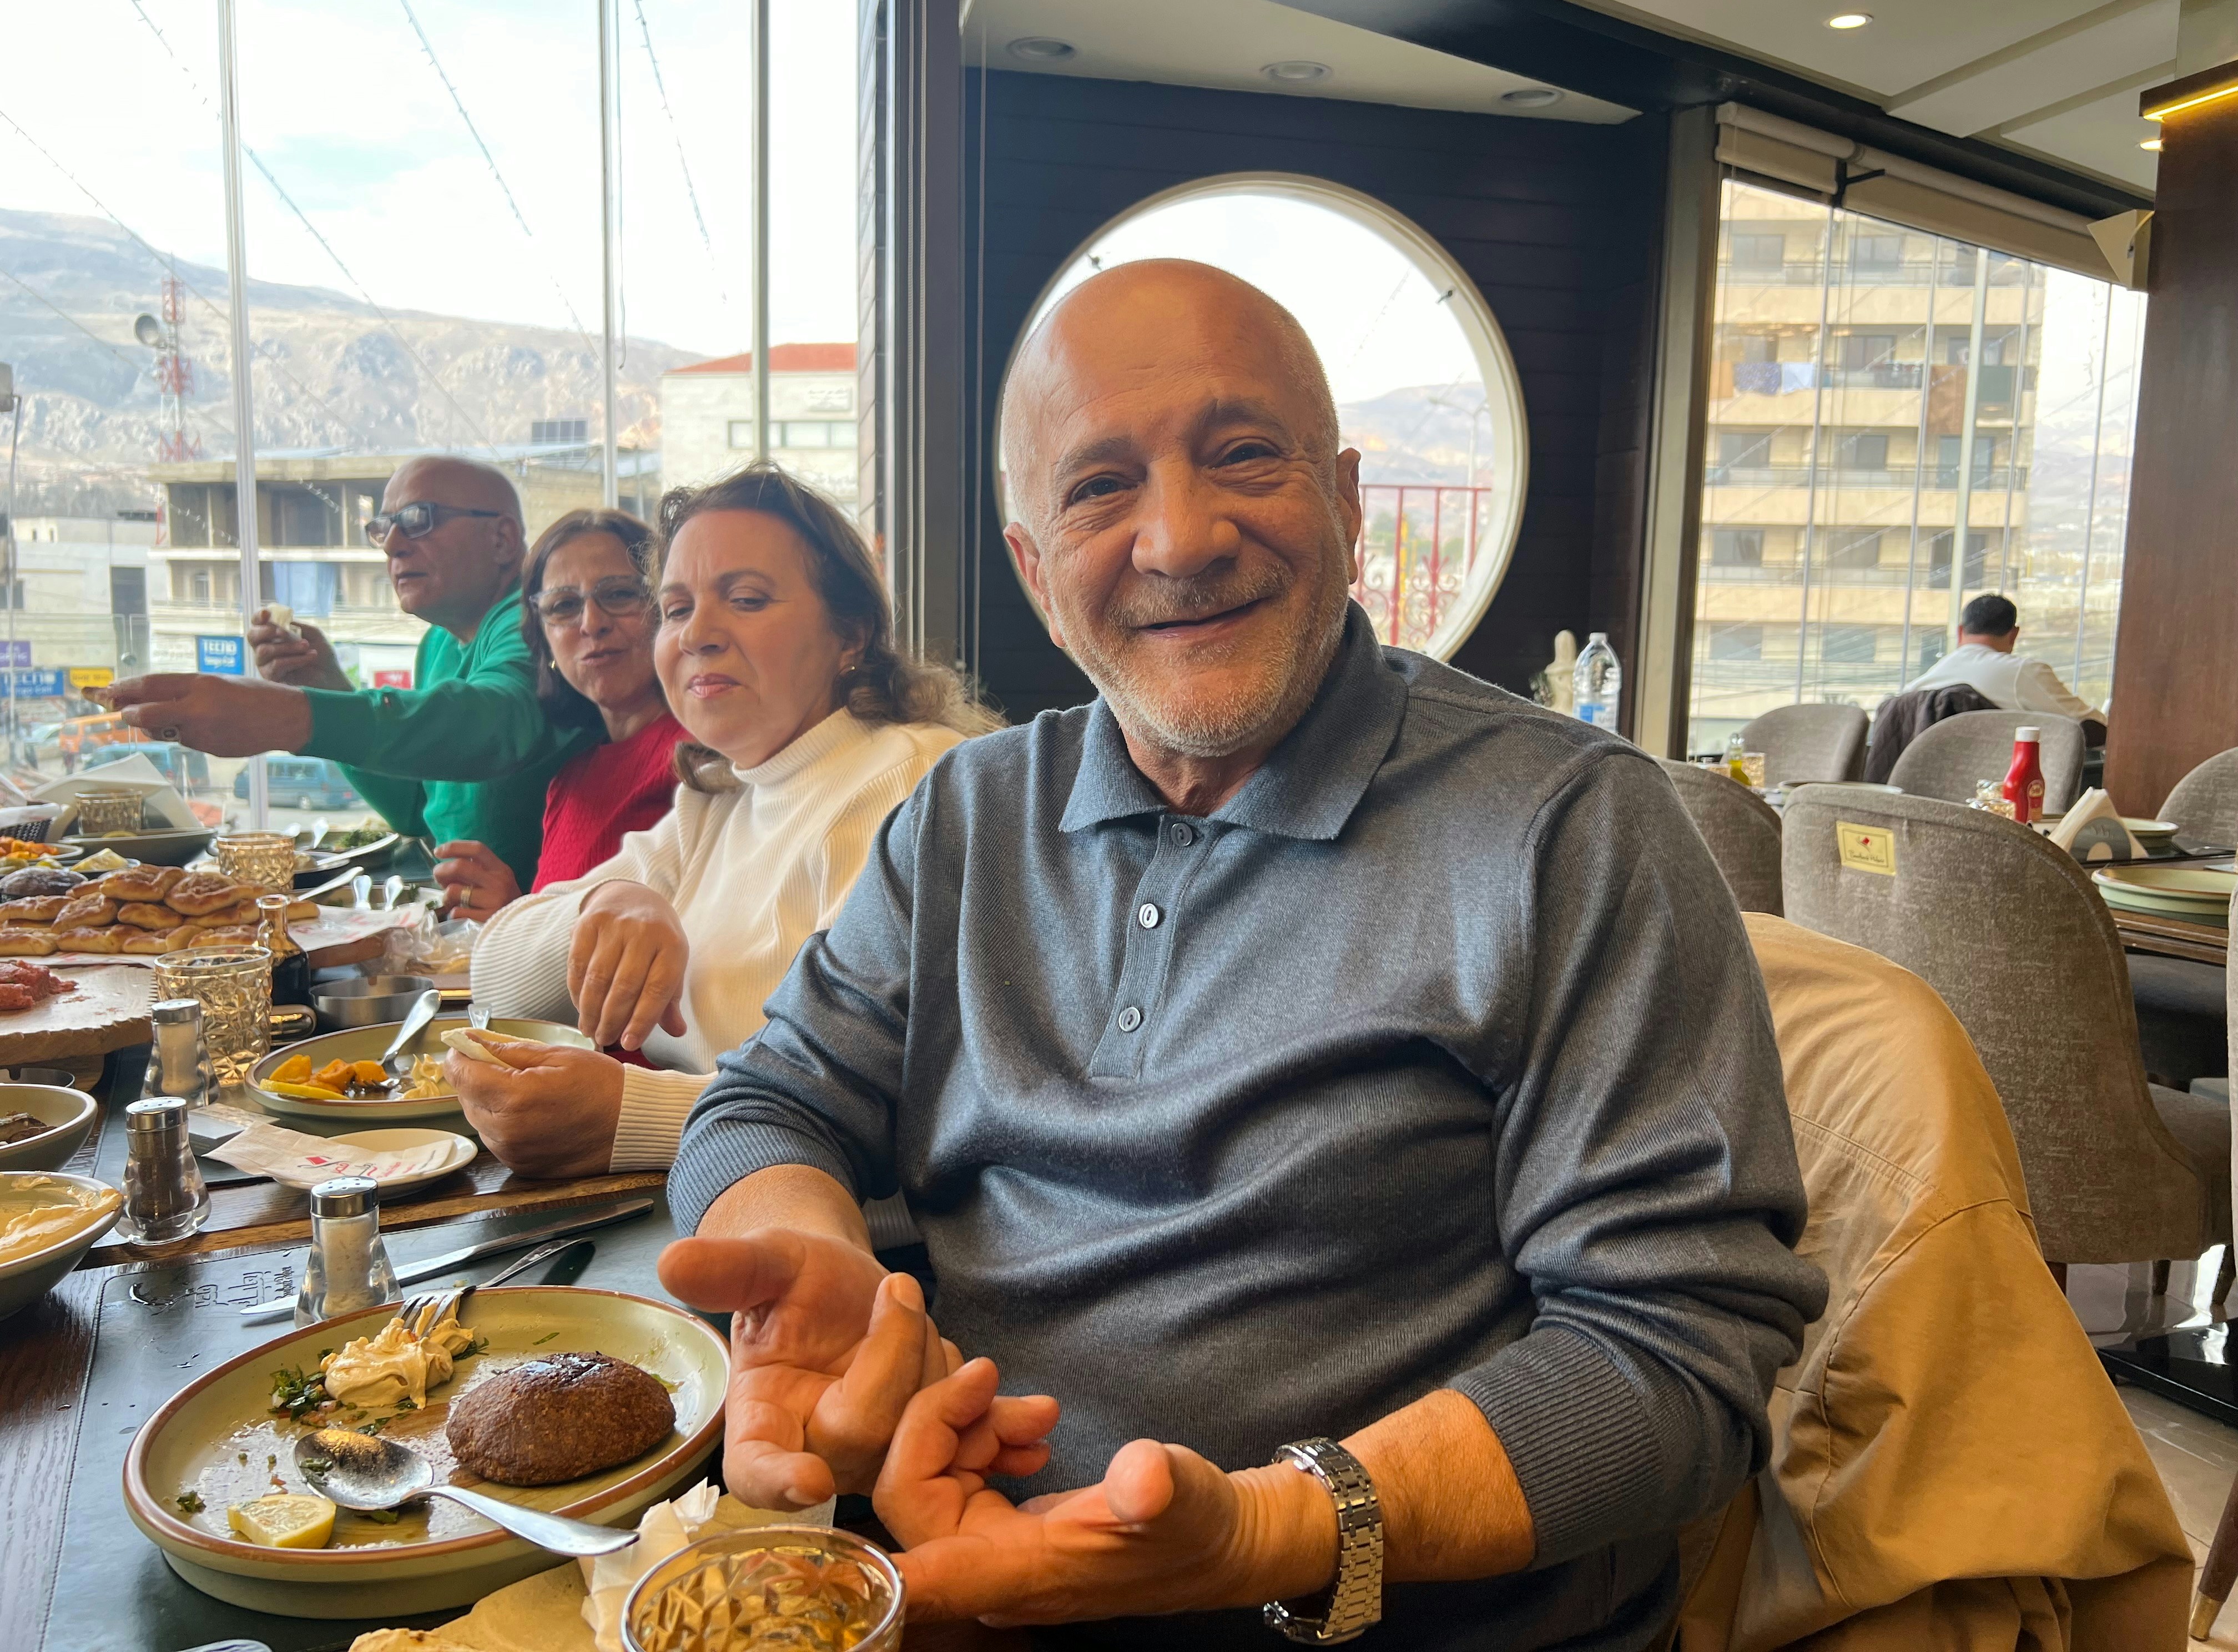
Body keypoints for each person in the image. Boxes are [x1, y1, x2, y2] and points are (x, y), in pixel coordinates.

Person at [652, 261, 1827, 1648]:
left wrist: (1270, 1529)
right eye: (1099, 487)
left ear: (1343, 499)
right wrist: (800, 1247)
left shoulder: (1571, 824)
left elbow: (1678, 1365)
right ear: (1035, 572)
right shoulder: (970, 814)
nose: (1180, 536)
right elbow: (770, 1098)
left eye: (1243, 456)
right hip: (936, 1584)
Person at [444, 464, 991, 1183]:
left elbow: (912, 1112)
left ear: (850, 631)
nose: (697, 633)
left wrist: (628, 1115)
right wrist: (607, 904)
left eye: (746, 599)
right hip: (705, 1205)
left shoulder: (914, 784)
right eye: (674, 608)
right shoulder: (719, 795)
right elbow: (496, 971)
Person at [102, 456, 593, 890]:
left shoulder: (539, 619)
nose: (392, 545)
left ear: (503, 538)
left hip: (544, 937)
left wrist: (290, 716)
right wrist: (327, 688)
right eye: (383, 527)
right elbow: (409, 808)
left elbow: (495, 724)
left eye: (419, 521)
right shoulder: (439, 643)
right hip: (466, 924)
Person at [429, 507, 689, 923]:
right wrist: (510, 911)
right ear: (544, 640)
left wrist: (517, 920)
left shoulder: (696, 760)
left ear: (667, 608)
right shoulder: (569, 783)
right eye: (564, 606)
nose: (592, 623)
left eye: (620, 594)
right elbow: (561, 945)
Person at [1906, 592, 2106, 744]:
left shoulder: (1916, 688)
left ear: (1960, 631)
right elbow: (2090, 724)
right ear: (2014, 634)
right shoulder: (2024, 672)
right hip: (1998, 791)